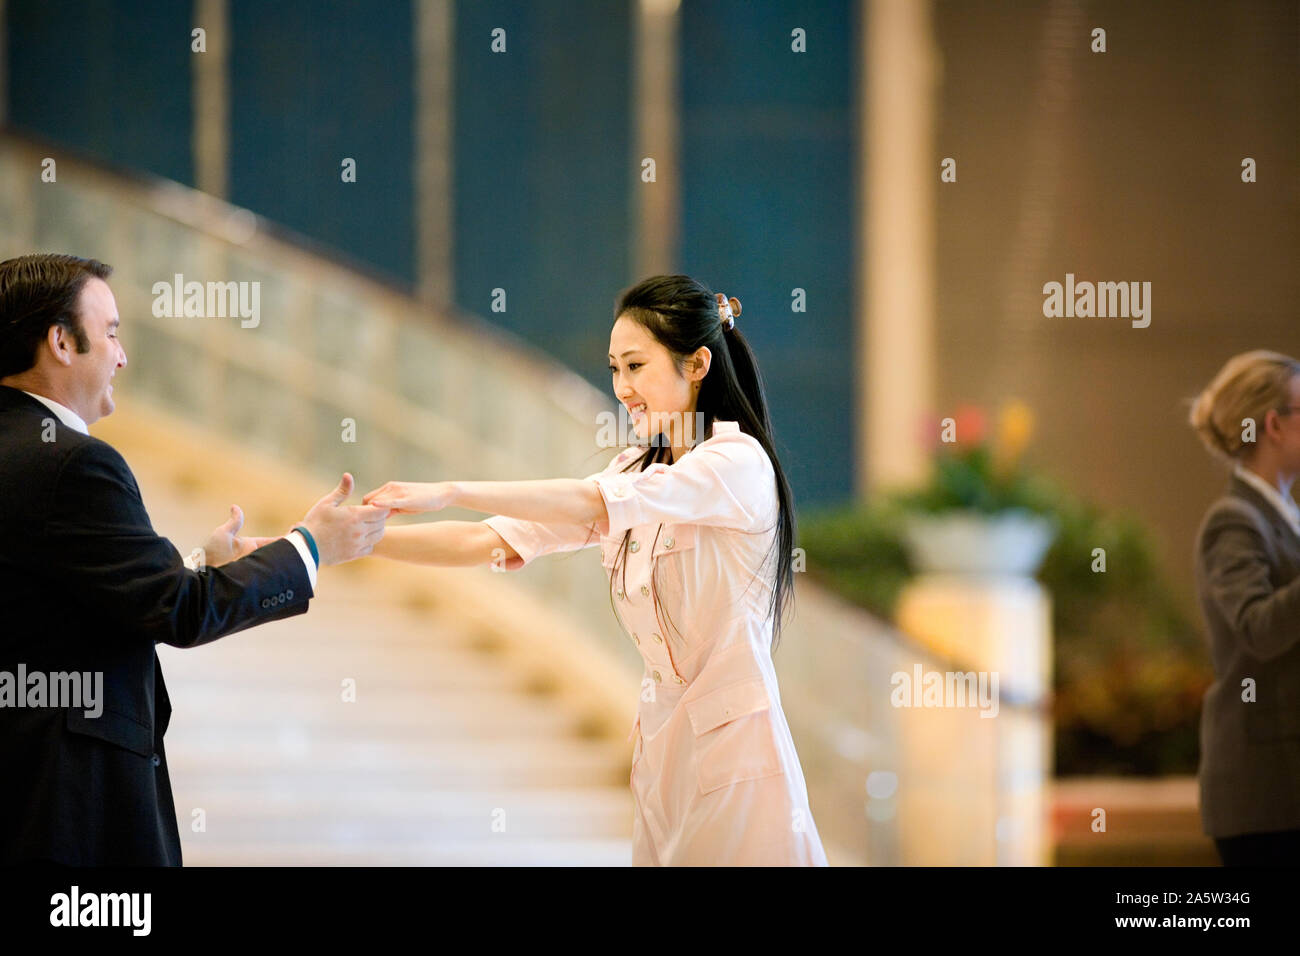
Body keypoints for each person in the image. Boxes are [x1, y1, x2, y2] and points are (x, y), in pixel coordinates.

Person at [364, 275, 828, 865]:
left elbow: (590, 503)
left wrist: (453, 487)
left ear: (698, 363)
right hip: (661, 750)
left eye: (635, 366)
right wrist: (352, 543)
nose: (622, 388)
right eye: (614, 370)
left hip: (738, 756)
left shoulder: (736, 463)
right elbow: (489, 538)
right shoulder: (635, 468)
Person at [0, 253, 389, 865]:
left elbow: (70, 601)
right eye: (111, 333)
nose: (123, 356)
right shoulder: (70, 463)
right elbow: (180, 612)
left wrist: (197, 566)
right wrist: (312, 546)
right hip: (66, 811)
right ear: (60, 342)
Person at [1188, 349, 1300, 866]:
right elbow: (1258, 629)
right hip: (1267, 790)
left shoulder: (1284, 513)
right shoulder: (1233, 520)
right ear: (1274, 426)